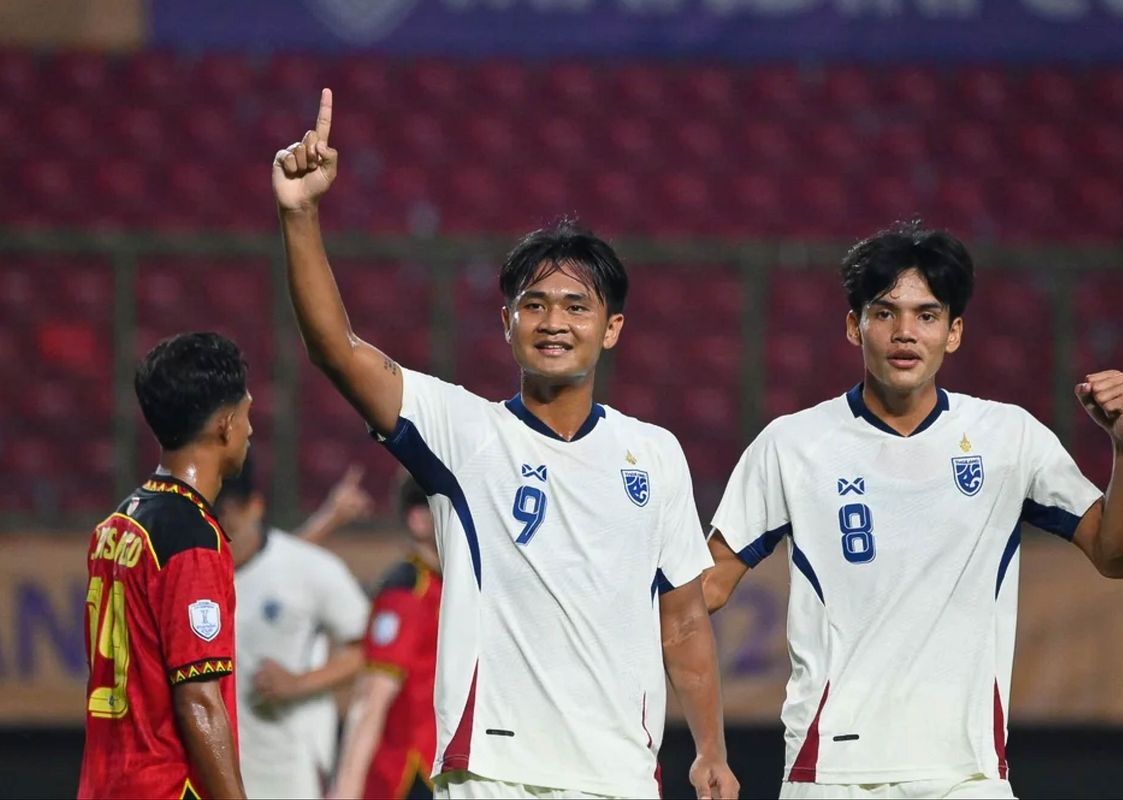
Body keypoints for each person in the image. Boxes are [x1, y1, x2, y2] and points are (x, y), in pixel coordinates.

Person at [272, 89, 738, 800]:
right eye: (534, 304)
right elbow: (338, 349)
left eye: (577, 306)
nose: (554, 321)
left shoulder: (655, 454)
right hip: (494, 776)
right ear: (506, 322)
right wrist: (300, 215)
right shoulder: (466, 435)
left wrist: (710, 750)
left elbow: (682, 622)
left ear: (612, 327)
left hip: (619, 777)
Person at [701, 221, 1123, 799]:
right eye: (884, 313)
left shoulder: (1008, 438)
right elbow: (705, 587)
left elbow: (1118, 557)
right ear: (852, 326)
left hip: (968, 774)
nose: (905, 332)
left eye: (927, 315)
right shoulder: (792, 444)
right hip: (830, 771)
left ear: (954, 332)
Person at [78, 331, 252, 799]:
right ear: (226, 424)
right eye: (248, 415)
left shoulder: (115, 526)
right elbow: (198, 700)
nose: (251, 430)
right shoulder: (191, 537)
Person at [218, 454, 371, 799]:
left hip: (292, 770)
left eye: (228, 514)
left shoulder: (311, 569)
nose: (222, 528)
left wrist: (298, 683)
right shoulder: (195, 572)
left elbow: (368, 648)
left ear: (254, 507)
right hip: (218, 770)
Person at [332, 474, 442, 800]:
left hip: (444, 768)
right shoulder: (405, 592)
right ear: (419, 520)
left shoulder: (447, 586)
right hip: (409, 776)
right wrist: (346, 790)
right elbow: (371, 699)